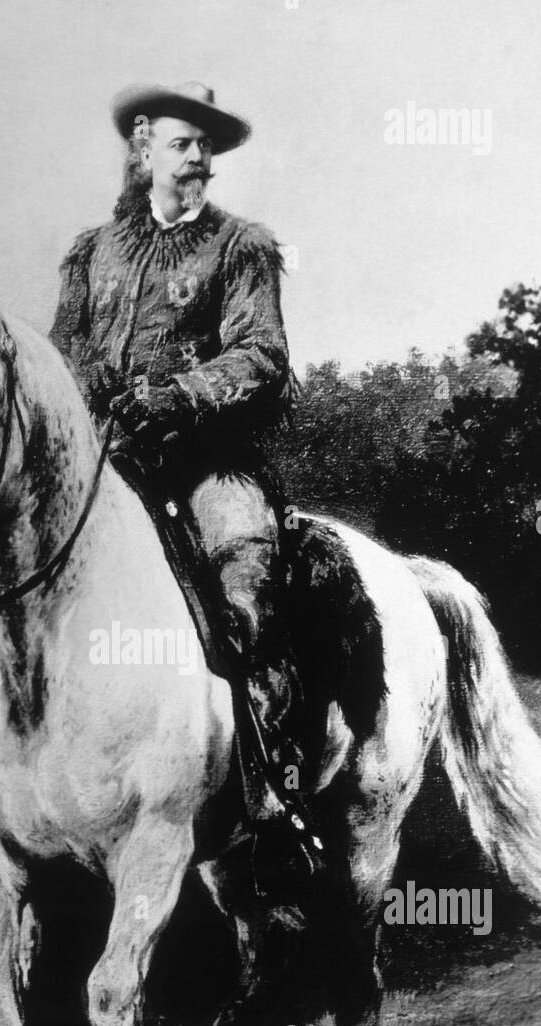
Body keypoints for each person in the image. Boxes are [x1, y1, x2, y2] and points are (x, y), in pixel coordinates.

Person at [49, 81, 320, 888]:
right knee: (23, 579)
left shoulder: (239, 248)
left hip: (207, 465)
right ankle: (15, 782)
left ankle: (273, 793)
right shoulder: (91, 251)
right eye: (183, 142)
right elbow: (64, 354)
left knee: (247, 582)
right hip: (108, 464)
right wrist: (97, 387)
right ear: (142, 149)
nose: (198, 158)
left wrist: (180, 393)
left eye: (206, 146)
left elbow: (262, 357)